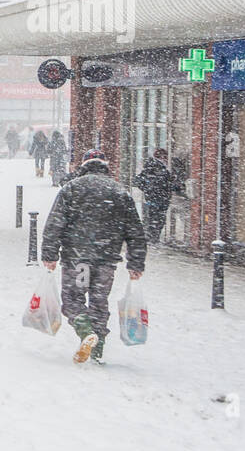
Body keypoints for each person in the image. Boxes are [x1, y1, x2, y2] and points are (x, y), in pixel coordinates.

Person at [41, 148, 146, 365]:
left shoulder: (71, 189)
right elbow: (135, 231)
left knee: (72, 299)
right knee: (99, 302)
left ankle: (85, 331)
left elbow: (55, 224)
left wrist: (50, 254)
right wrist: (136, 262)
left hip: (76, 257)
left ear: (84, 166)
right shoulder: (119, 192)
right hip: (107, 259)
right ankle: (97, 350)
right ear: (105, 166)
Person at [133, 148, 175, 246]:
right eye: (164, 157)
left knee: (155, 218)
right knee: (157, 218)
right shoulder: (158, 169)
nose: (165, 159)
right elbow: (166, 183)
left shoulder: (154, 168)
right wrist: (151, 189)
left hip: (156, 198)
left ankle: (152, 237)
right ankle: (153, 238)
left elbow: (138, 181)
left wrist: (147, 189)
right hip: (158, 198)